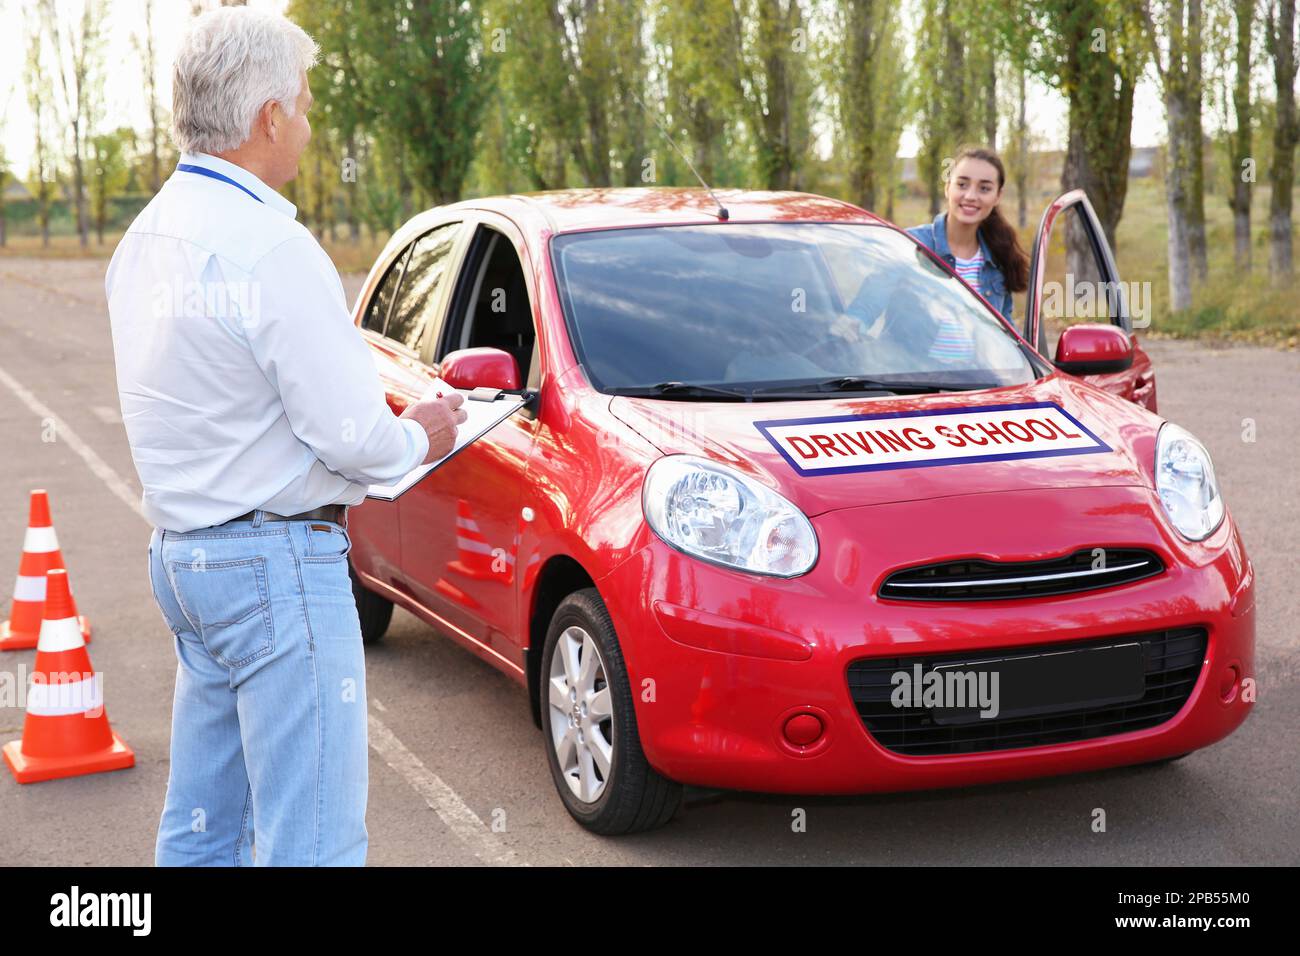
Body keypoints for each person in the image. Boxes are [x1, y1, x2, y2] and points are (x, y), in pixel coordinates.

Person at [104, 7, 465, 866]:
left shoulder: (142, 240)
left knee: (202, 830)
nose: (307, 126)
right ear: (269, 117)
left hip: (186, 560)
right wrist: (422, 436)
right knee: (312, 844)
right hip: (273, 566)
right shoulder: (271, 245)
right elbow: (350, 436)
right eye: (302, 107)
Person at [906, 144, 1029, 322]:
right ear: (948, 188)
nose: (971, 196)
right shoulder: (911, 244)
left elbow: (1005, 332)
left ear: (997, 196)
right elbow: (868, 303)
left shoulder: (998, 258)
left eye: (984, 188)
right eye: (962, 184)